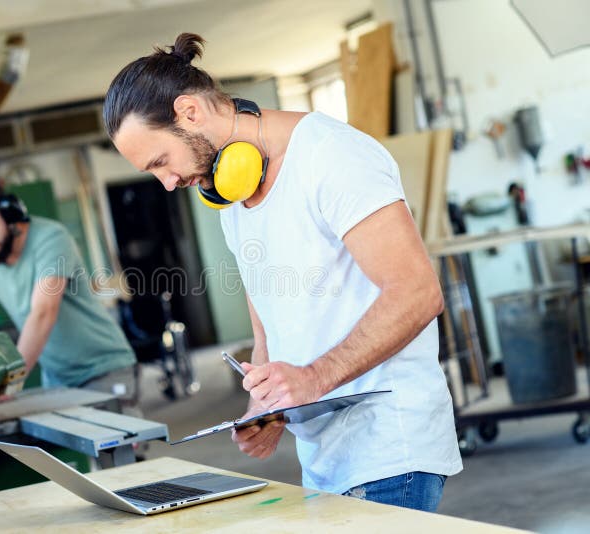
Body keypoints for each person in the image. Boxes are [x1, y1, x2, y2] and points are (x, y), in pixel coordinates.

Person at [102, 33, 462, 511]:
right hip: (323, 459)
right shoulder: (229, 195)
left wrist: (314, 377)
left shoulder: (332, 155)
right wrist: (269, 403)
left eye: (161, 161)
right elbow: (266, 306)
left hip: (390, 449)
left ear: (189, 112)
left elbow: (417, 292)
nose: (167, 184)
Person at [0, 174, 138, 405]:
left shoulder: (51, 238)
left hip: (103, 368)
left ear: (9, 214)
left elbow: (43, 313)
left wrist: (10, 384)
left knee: (110, 439)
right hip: (57, 378)